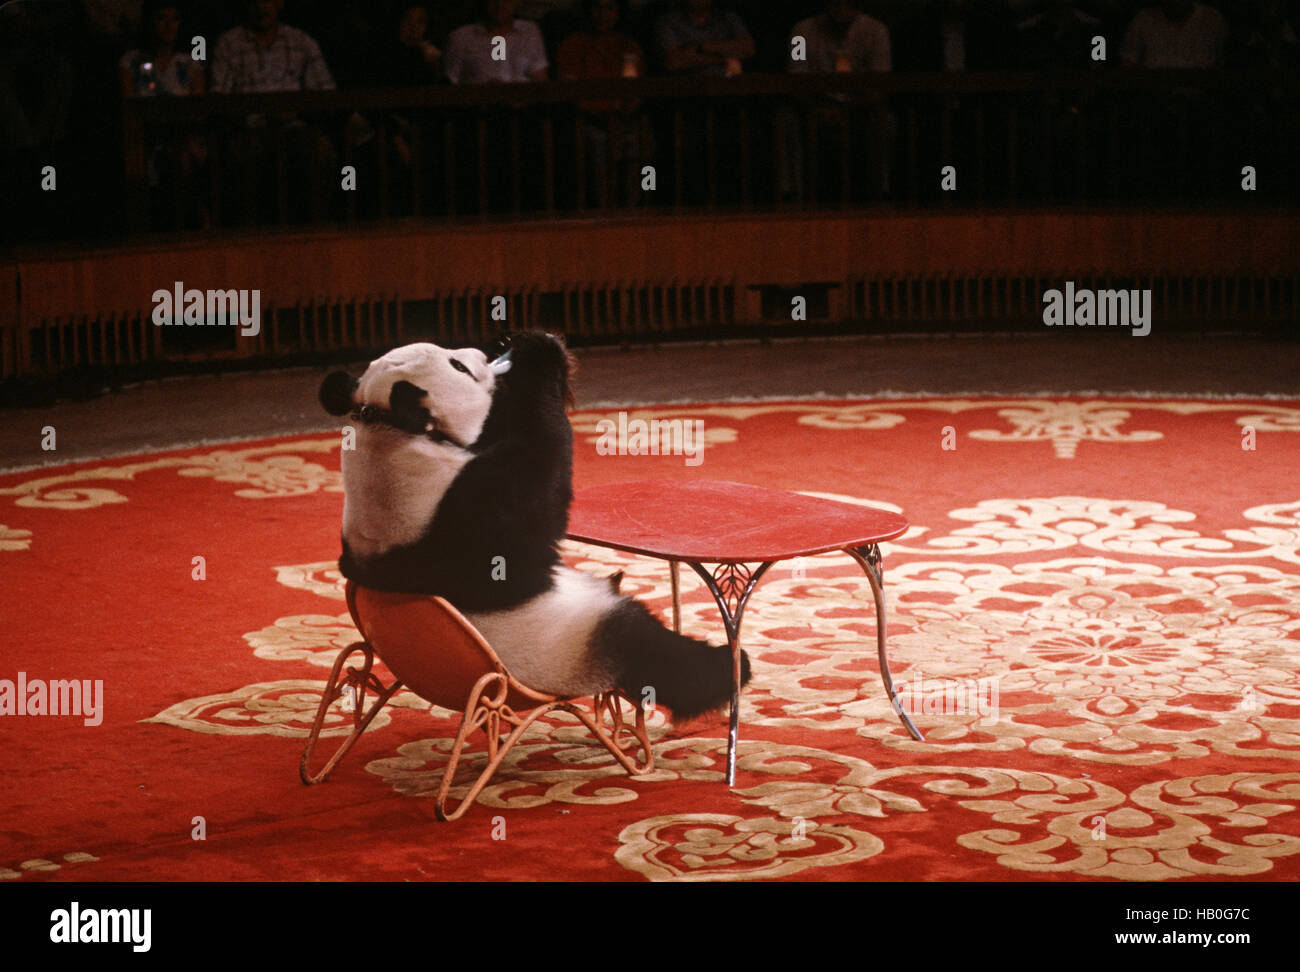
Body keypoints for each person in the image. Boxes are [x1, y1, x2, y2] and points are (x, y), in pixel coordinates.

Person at [211, 0, 338, 224]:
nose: (262, 7)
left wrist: (297, 110)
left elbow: (326, 91)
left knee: (321, 151)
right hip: (250, 129)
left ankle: (316, 230)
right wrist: (249, 113)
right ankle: (250, 236)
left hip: (295, 128)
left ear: (280, 3)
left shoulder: (301, 41)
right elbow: (219, 97)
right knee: (241, 159)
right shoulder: (229, 43)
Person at [780, 0, 893, 202]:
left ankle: (880, 190)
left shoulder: (876, 31)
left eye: (848, 4)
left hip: (861, 108)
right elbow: (796, 78)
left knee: (885, 121)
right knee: (786, 120)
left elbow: (880, 83)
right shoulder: (802, 32)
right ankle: (792, 191)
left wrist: (852, 107)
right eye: (836, 4)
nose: (841, 10)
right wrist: (818, 107)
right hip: (815, 107)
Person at [556, 0, 648, 207]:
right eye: (597, 8)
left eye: (610, 8)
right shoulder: (573, 44)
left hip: (624, 119)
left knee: (638, 144)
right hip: (589, 121)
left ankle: (637, 205)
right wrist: (602, 116)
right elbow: (571, 91)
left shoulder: (629, 45)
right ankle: (603, 207)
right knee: (598, 145)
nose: (603, 15)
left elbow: (637, 89)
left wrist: (622, 115)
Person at [443, 0, 549, 83]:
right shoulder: (461, 37)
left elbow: (539, 76)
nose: (500, 5)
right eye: (494, 0)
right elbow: (451, 82)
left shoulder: (529, 31)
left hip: (523, 106)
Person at [654, 0, 754, 76]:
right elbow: (674, 61)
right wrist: (724, 59)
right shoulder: (668, 22)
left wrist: (703, 48)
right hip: (686, 88)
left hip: (728, 87)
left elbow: (748, 49)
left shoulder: (728, 18)